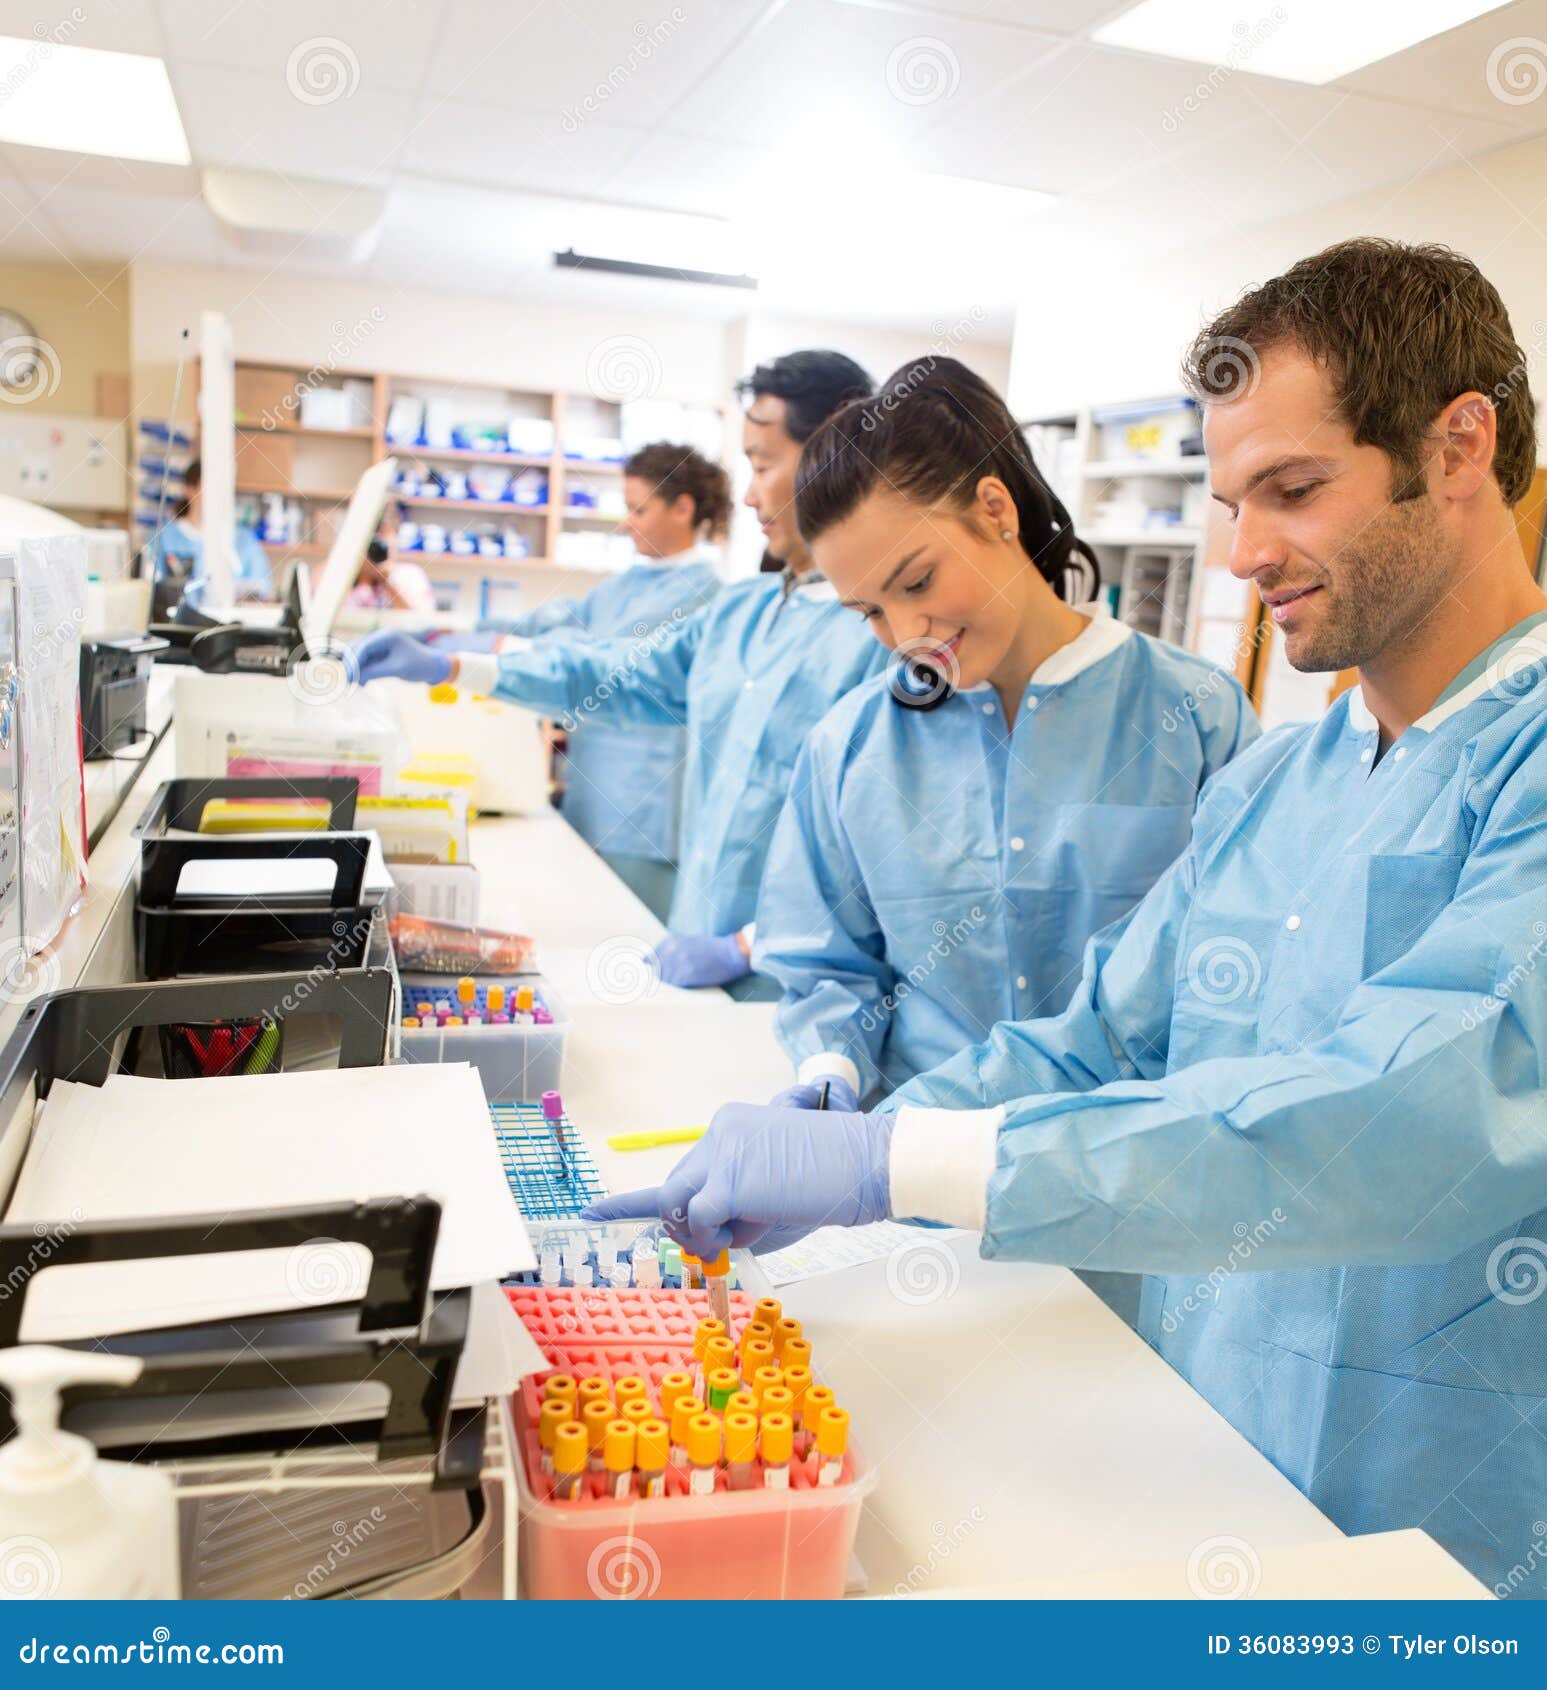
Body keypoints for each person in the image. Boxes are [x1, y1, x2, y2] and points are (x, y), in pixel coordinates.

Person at [589, 239, 1547, 1596]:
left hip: (1444, 1521)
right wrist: (872, 1135)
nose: (1244, 552)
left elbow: (1402, 1113)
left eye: (1291, 489)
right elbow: (1103, 1031)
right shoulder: (1285, 774)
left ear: (1458, 447)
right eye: (1228, 500)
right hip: (1201, 1452)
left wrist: (902, 1170)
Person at [754, 357, 1257, 1108]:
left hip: (1125, 1163)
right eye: (869, 612)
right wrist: (830, 1071)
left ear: (994, 509)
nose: (907, 634)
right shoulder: (851, 746)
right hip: (906, 1163)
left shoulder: (1196, 716)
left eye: (917, 582)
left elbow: (1239, 961)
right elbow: (827, 965)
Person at [352, 352, 889, 993]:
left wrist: (754, 944)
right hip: (696, 950)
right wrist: (455, 665)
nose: (749, 495)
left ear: (836, 457)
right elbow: (612, 673)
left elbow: (883, 850)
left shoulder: (882, 636)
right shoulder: (743, 612)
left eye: (764, 464)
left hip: (806, 988)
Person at [427, 443, 728, 921]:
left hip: (644, 806)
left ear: (683, 508)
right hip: (591, 787)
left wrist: (498, 654)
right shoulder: (628, 584)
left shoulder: (707, 592)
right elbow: (557, 621)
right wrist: (463, 633)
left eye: (639, 509)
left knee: (633, 932)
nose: (627, 522)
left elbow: (604, 655)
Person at [144, 457, 273, 604]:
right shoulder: (163, 538)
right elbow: (150, 590)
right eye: (212, 486)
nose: (218, 495)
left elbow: (262, 589)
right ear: (190, 489)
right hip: (182, 625)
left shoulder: (244, 540)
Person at [349, 536, 437, 615]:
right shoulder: (350, 578)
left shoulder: (410, 574)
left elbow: (419, 618)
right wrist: (364, 578)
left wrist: (387, 581)